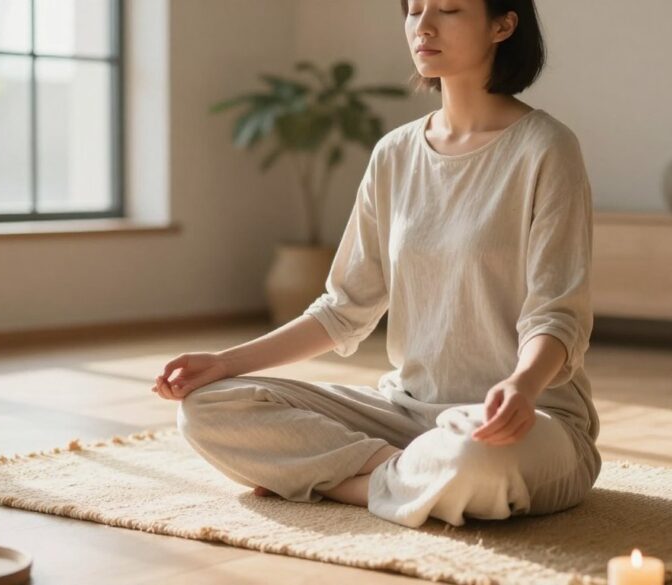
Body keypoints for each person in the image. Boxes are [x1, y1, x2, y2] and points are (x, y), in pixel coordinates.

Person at [153, 0, 601, 529]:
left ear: (502, 25)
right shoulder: (394, 153)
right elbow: (343, 308)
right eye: (413, 10)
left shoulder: (547, 148)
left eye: (449, 9)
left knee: (476, 460)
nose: (423, 27)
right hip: (404, 415)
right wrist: (225, 363)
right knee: (206, 408)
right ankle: (405, 478)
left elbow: (556, 313)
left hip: (522, 420)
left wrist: (522, 385)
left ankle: (348, 482)